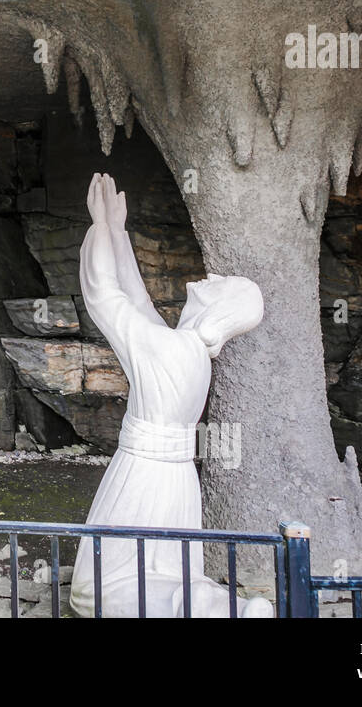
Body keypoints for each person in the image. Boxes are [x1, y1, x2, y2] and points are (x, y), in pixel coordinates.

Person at [68, 173, 272, 617]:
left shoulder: (168, 348)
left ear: (218, 308)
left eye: (218, 284)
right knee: (166, 567)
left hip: (142, 476)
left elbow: (106, 297)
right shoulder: (190, 351)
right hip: (178, 481)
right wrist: (117, 233)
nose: (207, 278)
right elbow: (137, 301)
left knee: (95, 589)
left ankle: (198, 606)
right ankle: (218, 604)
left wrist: (100, 226)